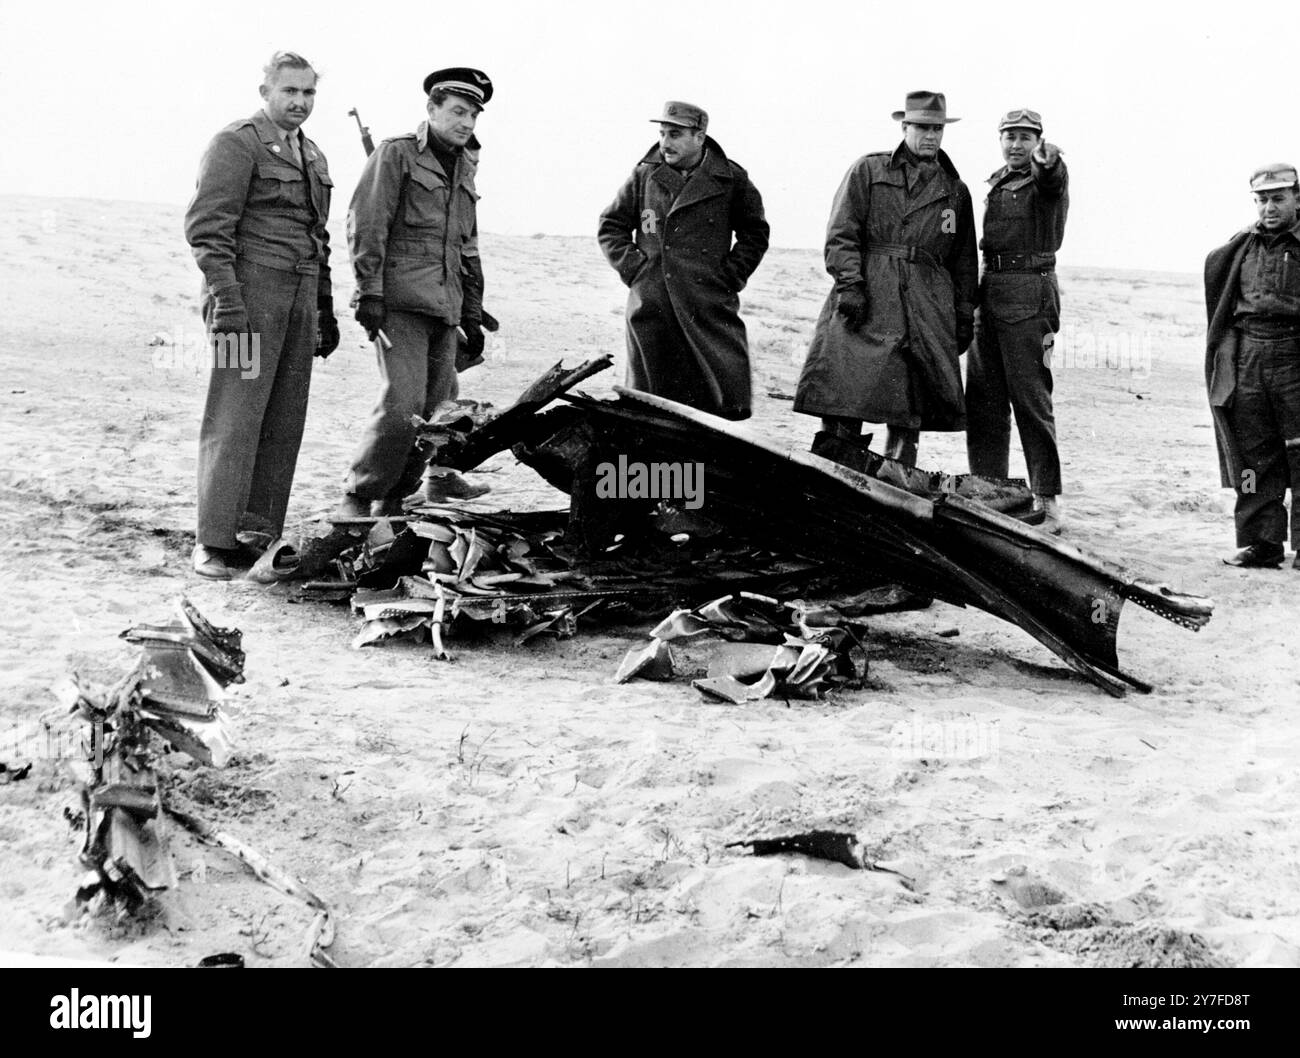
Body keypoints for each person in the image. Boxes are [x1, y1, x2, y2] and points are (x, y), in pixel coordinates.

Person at [184, 50, 337, 580]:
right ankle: (212, 541)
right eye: (289, 91)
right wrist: (227, 302)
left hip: (296, 300)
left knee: (282, 419)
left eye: (309, 93)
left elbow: (319, 238)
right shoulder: (237, 142)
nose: (299, 102)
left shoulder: (313, 156)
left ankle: (255, 533)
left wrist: (324, 309)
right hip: (247, 296)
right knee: (233, 415)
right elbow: (208, 229)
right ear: (266, 91)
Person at [336, 67, 494, 518]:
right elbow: (367, 222)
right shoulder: (397, 154)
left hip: (444, 309)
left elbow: (467, 245)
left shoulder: (465, 168)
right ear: (432, 109)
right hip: (400, 303)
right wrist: (369, 291)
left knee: (437, 412)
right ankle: (358, 496)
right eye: (458, 112)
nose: (466, 123)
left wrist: (472, 313)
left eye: (473, 116)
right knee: (402, 404)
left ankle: (395, 499)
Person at [795, 91, 977, 467]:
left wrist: (961, 315)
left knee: (910, 399)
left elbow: (963, 261)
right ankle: (834, 468)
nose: (931, 136)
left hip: (926, 304)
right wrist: (851, 285)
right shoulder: (869, 170)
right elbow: (842, 233)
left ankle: (897, 476)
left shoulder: (955, 190)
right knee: (848, 386)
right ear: (904, 126)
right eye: (923, 127)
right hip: (871, 294)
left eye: (938, 129)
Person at [598, 101, 769, 420]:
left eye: (675, 134)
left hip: (706, 301)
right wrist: (636, 269)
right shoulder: (645, 175)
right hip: (652, 301)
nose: (665, 142)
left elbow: (754, 233)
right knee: (650, 402)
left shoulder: (730, 178)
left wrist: (731, 276)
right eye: (662, 133)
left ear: (700, 136)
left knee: (715, 399)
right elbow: (612, 225)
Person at [965, 108, 1069, 533]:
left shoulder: (1044, 178)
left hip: (1030, 290)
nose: (1016, 144)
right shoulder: (998, 182)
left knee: (1030, 398)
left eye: (1025, 137)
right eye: (1009, 136)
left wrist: (1049, 162)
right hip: (990, 290)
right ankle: (992, 492)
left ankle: (1047, 501)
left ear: (1038, 141)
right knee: (984, 400)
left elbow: (1052, 179)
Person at [1204, 163, 1300, 569]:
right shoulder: (1241, 246)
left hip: (1295, 354)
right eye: (1262, 200)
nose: (1269, 208)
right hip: (1248, 355)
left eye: (1278, 198)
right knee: (1254, 453)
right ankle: (1263, 543)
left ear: (1298, 198)